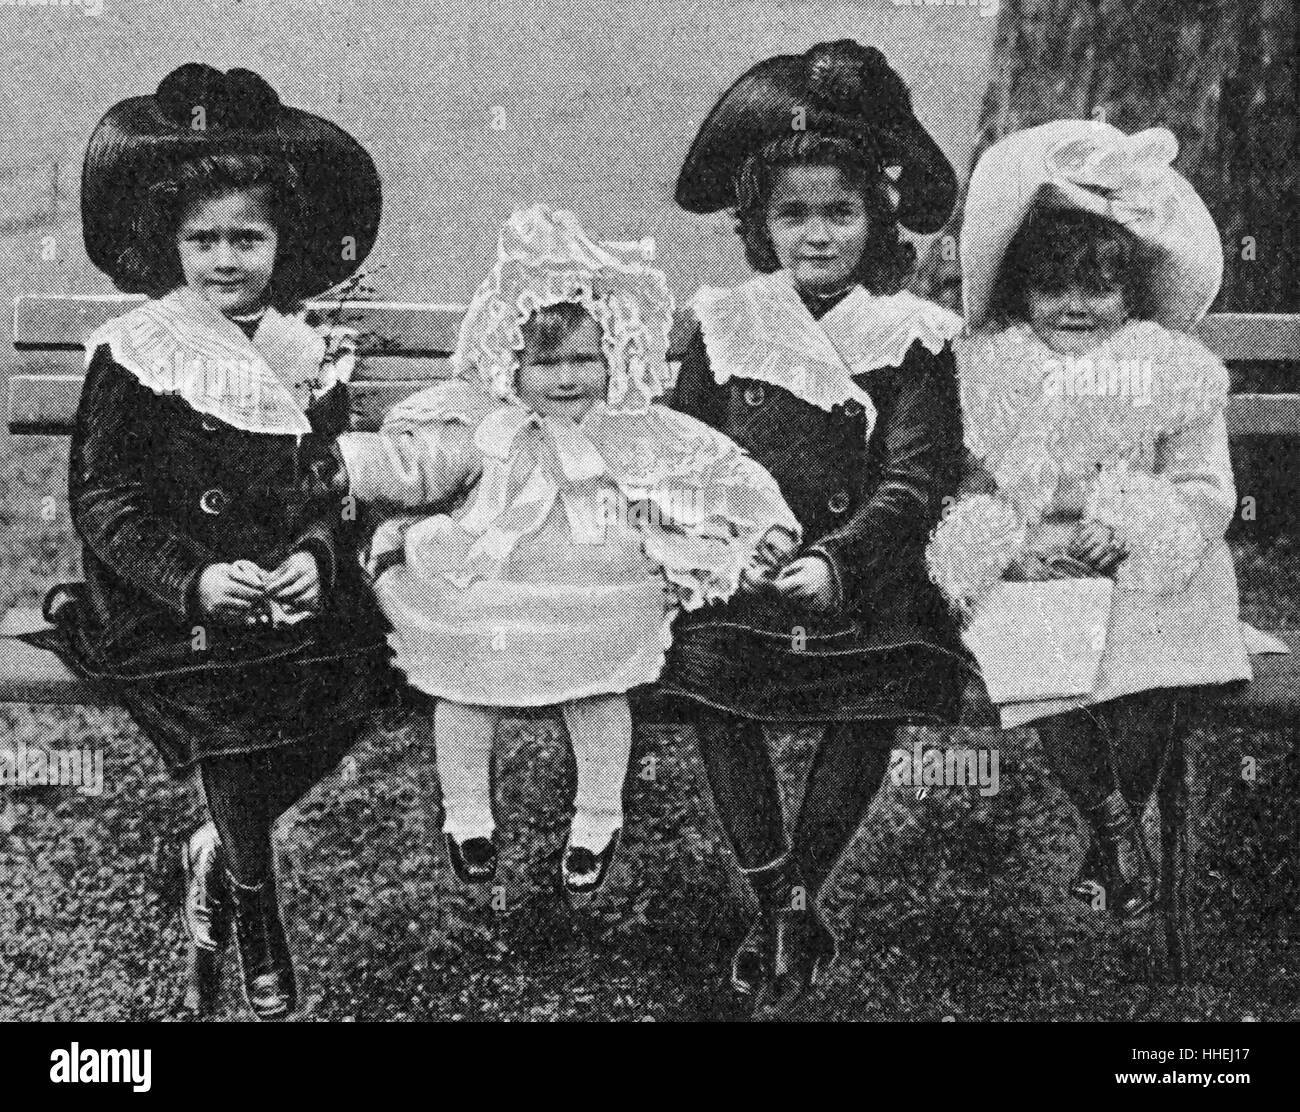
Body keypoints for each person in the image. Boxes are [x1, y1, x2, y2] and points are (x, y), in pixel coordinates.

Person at [44, 64, 391, 1018]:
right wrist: (193, 581)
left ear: (284, 242)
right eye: (204, 239)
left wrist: (314, 558)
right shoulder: (142, 349)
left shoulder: (304, 352)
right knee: (229, 690)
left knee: (372, 666)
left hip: (279, 582)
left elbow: (332, 487)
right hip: (168, 595)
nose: (225, 259)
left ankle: (218, 847)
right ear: (171, 243)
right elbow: (104, 498)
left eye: (248, 238)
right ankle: (258, 911)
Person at [332, 205, 799, 895]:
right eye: (544, 363)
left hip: (598, 581)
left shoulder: (633, 428)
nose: (566, 379)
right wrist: (347, 466)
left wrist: (764, 524)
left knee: (599, 685)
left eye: (585, 360)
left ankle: (598, 815)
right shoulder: (492, 427)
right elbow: (417, 464)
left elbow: (712, 470)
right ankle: (466, 814)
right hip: (493, 578)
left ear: (615, 358)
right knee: (460, 679)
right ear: (510, 366)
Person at [663, 40, 968, 1015]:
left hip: (862, 571)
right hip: (748, 569)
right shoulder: (729, 322)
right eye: (792, 215)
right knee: (708, 669)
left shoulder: (908, 334)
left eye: (840, 211)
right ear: (759, 224)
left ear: (877, 217)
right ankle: (780, 899)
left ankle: (798, 892)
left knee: (878, 682)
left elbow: (917, 480)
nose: (817, 235)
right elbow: (683, 454)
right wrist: (721, 542)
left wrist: (839, 560)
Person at [926, 120, 1252, 920]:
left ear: (1130, 295)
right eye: (1052, 289)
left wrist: (1135, 526)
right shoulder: (992, 373)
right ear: (1021, 293)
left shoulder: (1170, 372)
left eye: (1097, 289)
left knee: (1158, 648)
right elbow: (968, 487)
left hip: (1144, 558)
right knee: (1037, 642)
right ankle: (1115, 829)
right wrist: (1007, 543)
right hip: (1036, 558)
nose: (1074, 306)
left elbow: (1205, 488)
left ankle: (1113, 841)